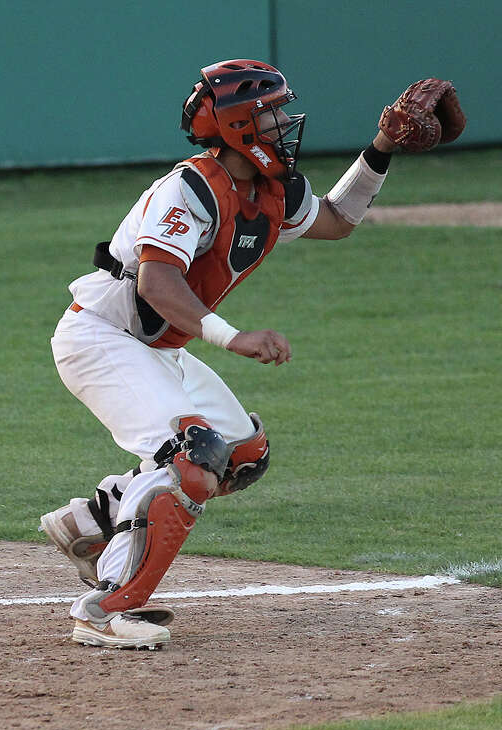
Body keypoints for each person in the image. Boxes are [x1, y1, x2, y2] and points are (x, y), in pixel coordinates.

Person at [39, 61, 464, 648]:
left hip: (154, 345)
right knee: (194, 455)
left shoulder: (269, 190)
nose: (284, 121)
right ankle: (106, 604)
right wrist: (233, 338)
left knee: (242, 454)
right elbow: (156, 283)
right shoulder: (191, 187)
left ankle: (93, 520)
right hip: (102, 337)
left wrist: (382, 148)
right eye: (271, 112)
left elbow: (338, 221)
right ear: (239, 124)